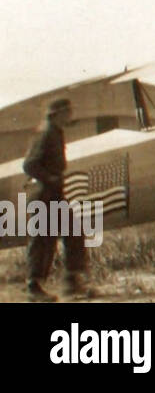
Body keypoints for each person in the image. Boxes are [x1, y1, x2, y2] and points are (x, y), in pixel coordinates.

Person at [23, 98, 87, 302]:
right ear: (57, 113)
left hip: (54, 194)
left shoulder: (56, 132)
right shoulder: (46, 133)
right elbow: (29, 165)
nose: (71, 114)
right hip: (44, 195)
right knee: (43, 241)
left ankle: (72, 282)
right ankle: (34, 287)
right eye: (68, 111)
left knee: (74, 232)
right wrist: (49, 178)